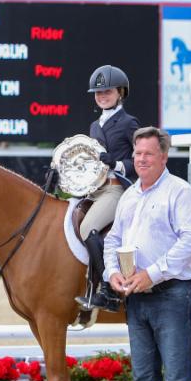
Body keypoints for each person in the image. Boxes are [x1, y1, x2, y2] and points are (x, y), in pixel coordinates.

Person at [104, 127, 191, 381]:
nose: (140, 159)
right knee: (144, 375)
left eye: (147, 153)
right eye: (136, 153)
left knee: (176, 375)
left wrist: (154, 273)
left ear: (163, 156)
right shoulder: (130, 196)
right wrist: (111, 272)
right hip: (136, 295)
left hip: (173, 293)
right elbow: (112, 239)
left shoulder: (181, 193)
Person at [75, 64, 141, 313]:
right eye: (98, 93)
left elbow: (142, 158)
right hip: (94, 189)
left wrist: (117, 164)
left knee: (87, 228)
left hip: (116, 188)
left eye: (108, 92)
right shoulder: (94, 126)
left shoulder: (128, 123)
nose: (102, 97)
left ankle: (109, 290)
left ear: (120, 93)